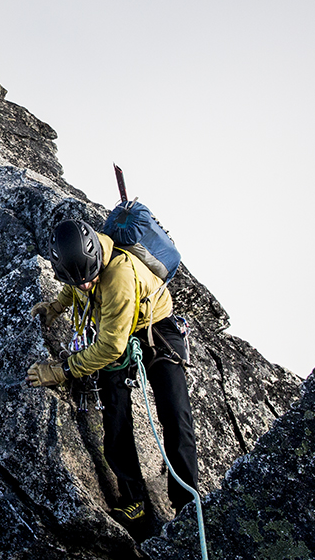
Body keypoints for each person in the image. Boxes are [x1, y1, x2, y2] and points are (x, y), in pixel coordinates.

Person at [25, 219, 198, 527]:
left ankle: (187, 506)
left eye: (90, 278)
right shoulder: (81, 268)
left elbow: (110, 347)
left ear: (97, 260)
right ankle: (135, 502)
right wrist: (57, 305)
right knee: (114, 416)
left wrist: (61, 371)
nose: (86, 285)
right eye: (78, 281)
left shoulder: (118, 275)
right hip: (116, 327)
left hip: (157, 329)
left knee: (175, 414)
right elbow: (76, 287)